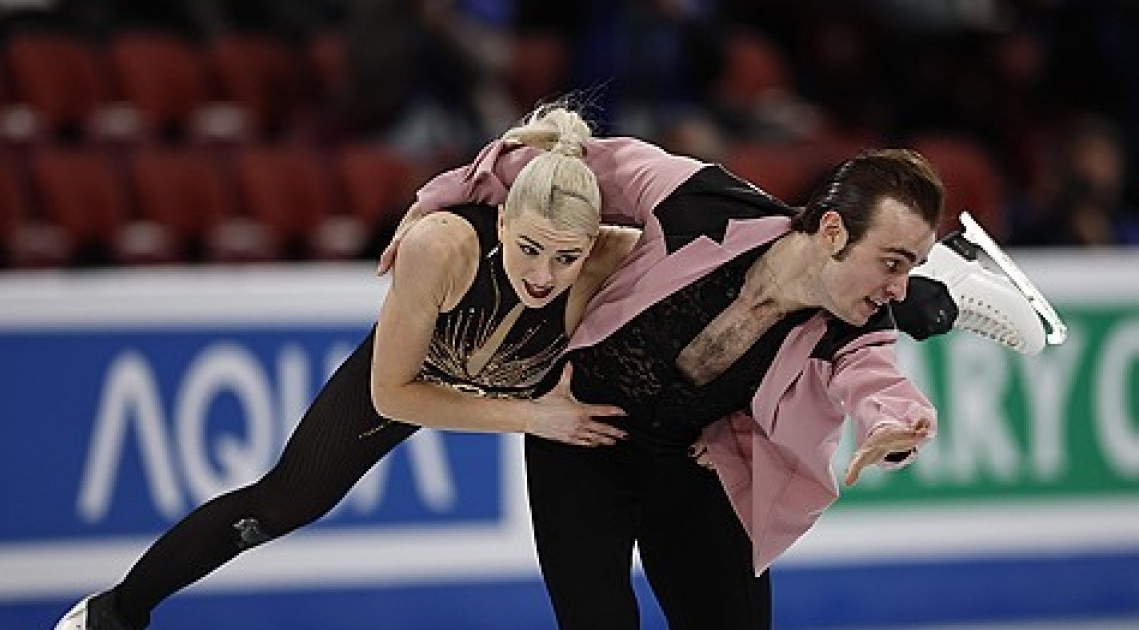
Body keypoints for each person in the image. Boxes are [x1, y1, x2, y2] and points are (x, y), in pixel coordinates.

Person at [388, 124, 1063, 628]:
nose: (893, 286)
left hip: (689, 460)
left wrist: (897, 424)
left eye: (908, 267)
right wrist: (439, 198)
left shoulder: (852, 321)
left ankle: (943, 287)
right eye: (893, 263)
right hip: (578, 437)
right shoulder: (702, 202)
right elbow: (565, 165)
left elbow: (875, 380)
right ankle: (943, 285)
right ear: (830, 232)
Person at [54, 106, 638, 630]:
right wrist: (534, 417)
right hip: (414, 378)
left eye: (567, 257)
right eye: (530, 248)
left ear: (593, 245)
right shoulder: (442, 246)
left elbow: (713, 241)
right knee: (282, 504)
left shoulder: (613, 256)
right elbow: (394, 396)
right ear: (505, 223)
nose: (543, 276)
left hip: (542, 401)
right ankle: (110, 614)